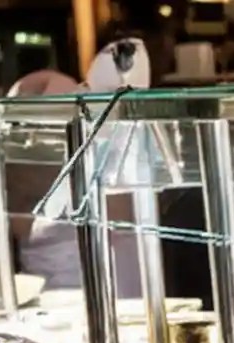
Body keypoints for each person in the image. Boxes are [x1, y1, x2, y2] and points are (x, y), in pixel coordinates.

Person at [15, 38, 151, 297]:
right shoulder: (30, 153)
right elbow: (19, 219)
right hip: (47, 291)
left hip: (117, 290)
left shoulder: (122, 133)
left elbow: (122, 212)